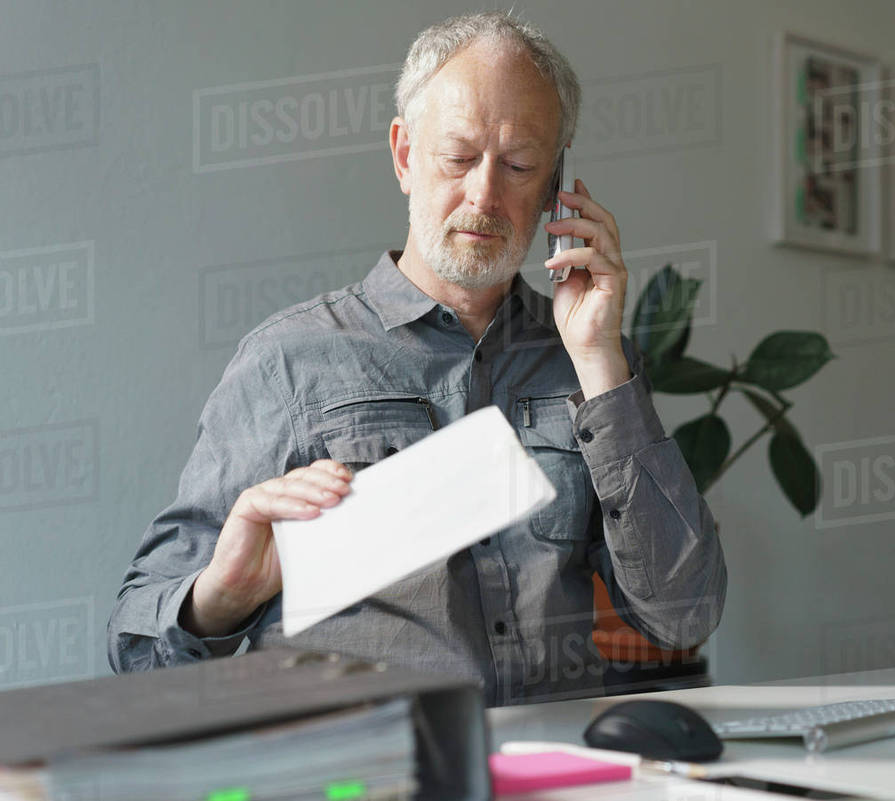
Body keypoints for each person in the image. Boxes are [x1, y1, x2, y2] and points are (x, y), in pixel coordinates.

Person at [107, 10, 726, 706]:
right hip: (365, 769)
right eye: (458, 157)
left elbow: (685, 613)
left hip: (550, 768)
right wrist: (219, 597)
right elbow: (136, 648)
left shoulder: (587, 363)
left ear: (554, 184)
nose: (485, 194)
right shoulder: (289, 361)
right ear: (404, 155)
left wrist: (602, 368)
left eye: (519, 165)